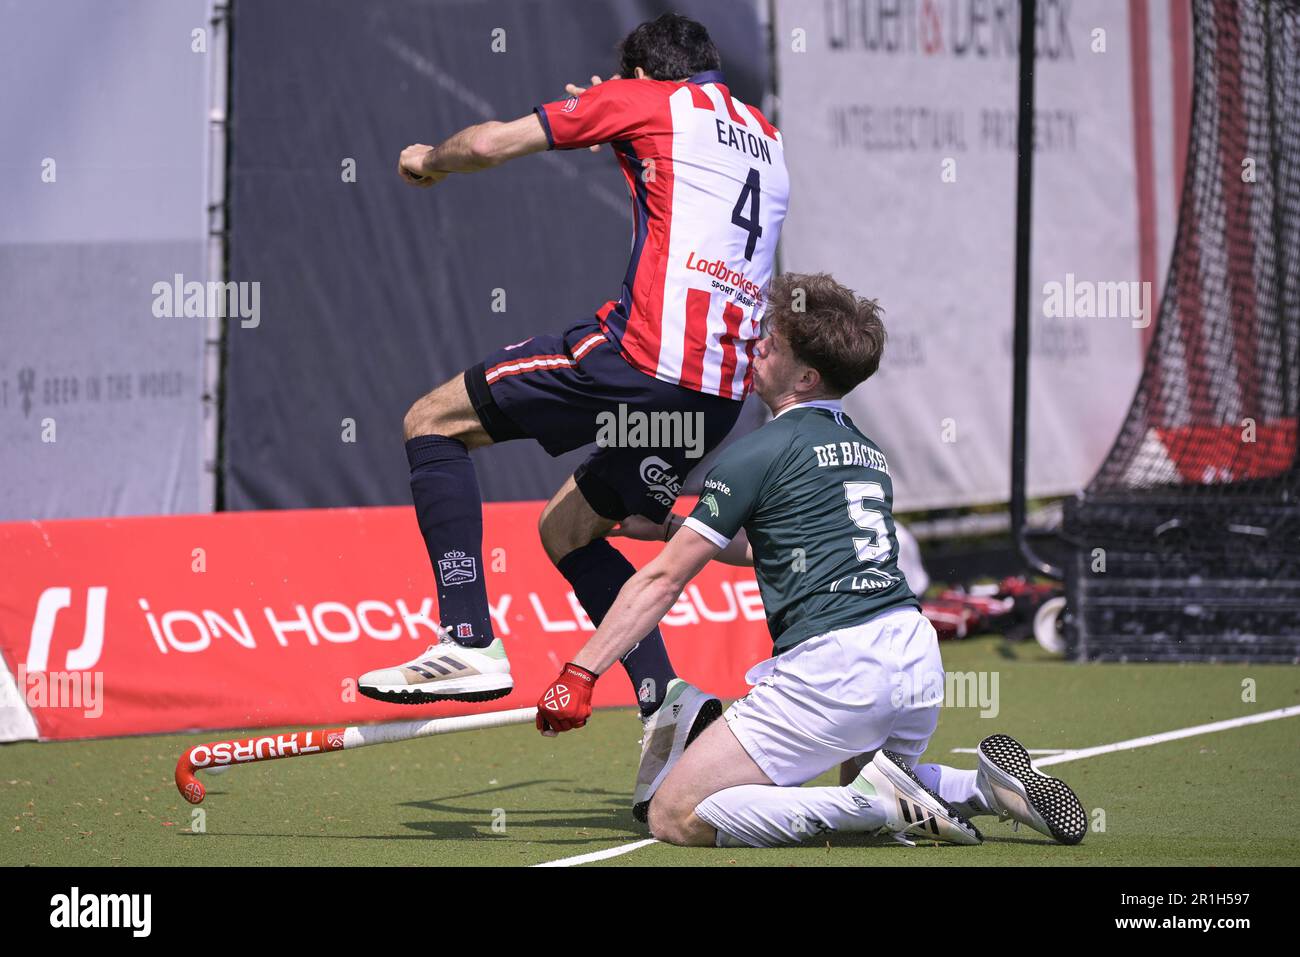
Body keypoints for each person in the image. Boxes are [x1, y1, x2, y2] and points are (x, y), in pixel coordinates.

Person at [356, 13, 789, 818]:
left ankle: (466, 640)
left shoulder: (647, 105)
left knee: (432, 420)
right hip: (715, 395)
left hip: (639, 360)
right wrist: (619, 113)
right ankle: (665, 695)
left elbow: (486, 144)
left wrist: (427, 160)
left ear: (642, 76)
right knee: (570, 529)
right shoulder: (761, 133)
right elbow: (677, 174)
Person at [535, 272, 1089, 848]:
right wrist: (675, 526)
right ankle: (980, 789)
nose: (759, 346)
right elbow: (773, 549)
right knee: (858, 780)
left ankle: (876, 804)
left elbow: (662, 582)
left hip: (838, 668)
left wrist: (581, 671)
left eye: (773, 342)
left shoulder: (759, 451)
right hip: (914, 658)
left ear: (805, 375)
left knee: (675, 815)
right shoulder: (866, 451)